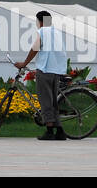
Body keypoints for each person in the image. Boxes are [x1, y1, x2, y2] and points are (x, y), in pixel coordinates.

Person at [15, 10, 69, 141]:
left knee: (45, 101)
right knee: (53, 102)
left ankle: (50, 131)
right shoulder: (56, 32)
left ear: (40, 21)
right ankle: (60, 131)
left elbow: (35, 48)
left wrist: (24, 63)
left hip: (45, 71)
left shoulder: (42, 31)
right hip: (56, 71)